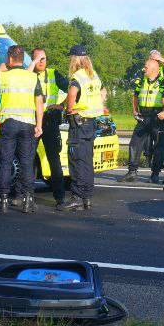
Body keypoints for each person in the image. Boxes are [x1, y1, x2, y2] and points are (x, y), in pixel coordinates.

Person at [0, 46, 44, 213]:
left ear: (9, 59)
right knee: (26, 163)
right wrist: (39, 125)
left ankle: (3, 201)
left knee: (6, 162)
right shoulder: (32, 77)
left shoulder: (4, 76)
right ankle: (28, 200)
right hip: (28, 124)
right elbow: (39, 102)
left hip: (9, 124)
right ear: (23, 59)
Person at [58, 45, 105, 212]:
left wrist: (69, 108)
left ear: (75, 59)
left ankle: (76, 198)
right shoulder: (93, 75)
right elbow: (102, 92)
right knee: (87, 161)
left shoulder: (77, 77)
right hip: (91, 123)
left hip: (78, 124)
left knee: (76, 162)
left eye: (71, 57)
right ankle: (87, 198)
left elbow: (72, 95)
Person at [122, 52, 164, 183]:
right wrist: (134, 110)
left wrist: (163, 60)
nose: (144, 69)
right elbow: (135, 96)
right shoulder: (141, 80)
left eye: (146, 67)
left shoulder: (163, 80)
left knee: (158, 146)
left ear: (154, 69)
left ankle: (155, 174)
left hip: (157, 117)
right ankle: (132, 172)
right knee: (134, 143)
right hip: (143, 116)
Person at [32, 48, 71, 208]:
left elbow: (73, 89)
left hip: (50, 120)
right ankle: (24, 196)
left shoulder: (54, 74)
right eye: (38, 59)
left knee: (54, 160)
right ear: (32, 60)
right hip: (32, 120)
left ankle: (60, 198)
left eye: (44, 58)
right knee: (27, 159)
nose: (42, 62)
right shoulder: (28, 76)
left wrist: (62, 105)